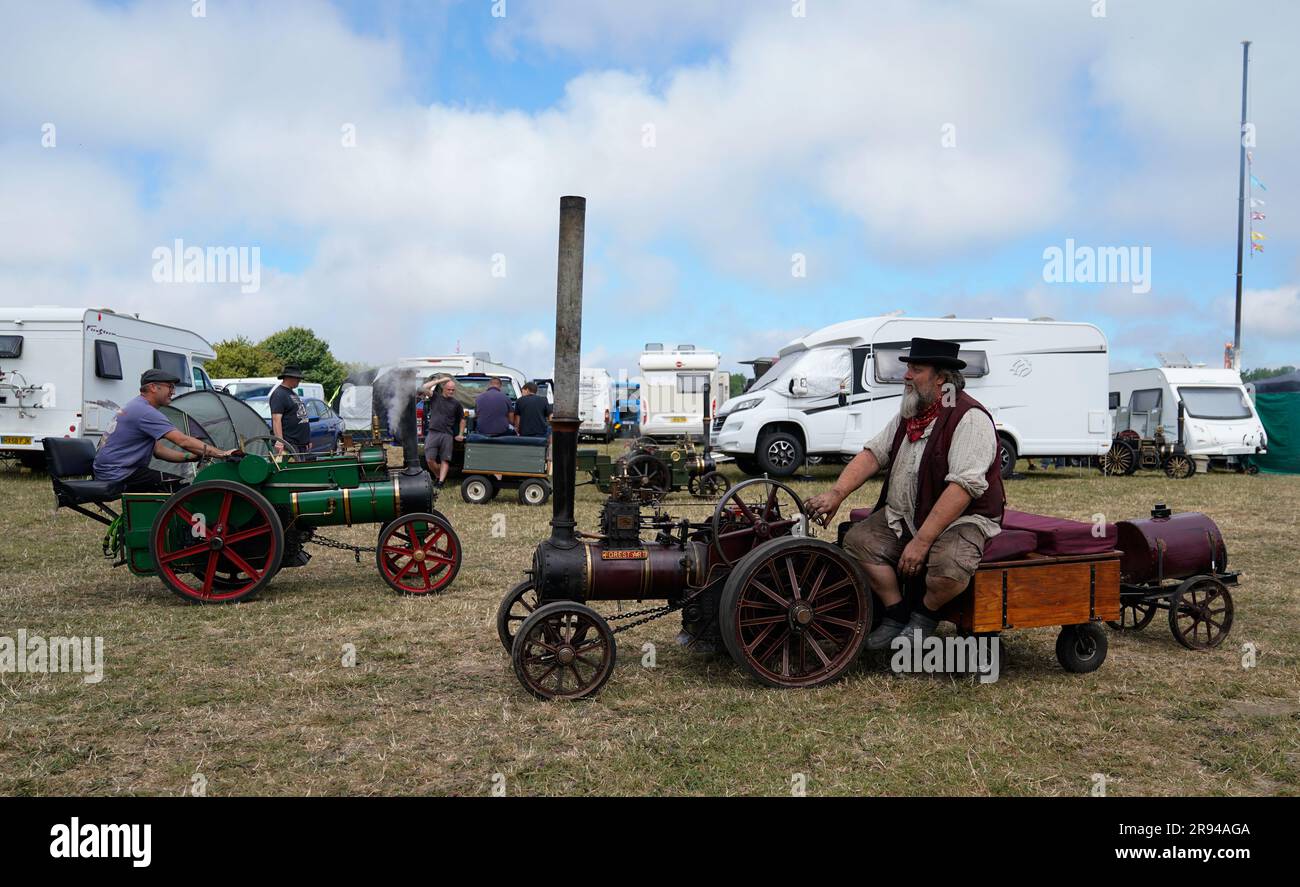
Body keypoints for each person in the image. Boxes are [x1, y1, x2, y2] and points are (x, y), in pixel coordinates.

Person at [804, 337, 1005, 650]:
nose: (906, 375)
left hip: (962, 520)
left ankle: (924, 618)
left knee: (949, 568)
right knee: (857, 542)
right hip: (908, 515)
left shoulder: (969, 418)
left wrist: (922, 542)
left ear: (941, 377)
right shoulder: (911, 414)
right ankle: (897, 614)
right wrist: (836, 494)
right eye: (908, 367)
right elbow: (873, 454)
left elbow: (963, 488)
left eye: (916, 369)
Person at [92, 369, 234, 494]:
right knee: (181, 488)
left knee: (176, 486)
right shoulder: (145, 412)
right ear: (153, 387)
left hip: (110, 472)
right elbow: (182, 440)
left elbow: (158, 450)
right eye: (170, 387)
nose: (173, 391)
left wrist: (189, 457)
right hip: (118, 474)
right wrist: (222, 454)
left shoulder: (138, 406)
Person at [418, 376, 465, 487]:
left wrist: (460, 434)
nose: (451, 392)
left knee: (445, 459)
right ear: (443, 388)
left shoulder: (456, 404)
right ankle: (438, 475)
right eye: (449, 389)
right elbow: (423, 388)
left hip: (447, 434)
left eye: (453, 390)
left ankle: (440, 482)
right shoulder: (435, 397)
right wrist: (440, 380)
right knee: (429, 459)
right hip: (433, 432)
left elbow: (462, 419)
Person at [269, 365, 312, 456]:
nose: (299, 381)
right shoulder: (279, 394)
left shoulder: (291, 393)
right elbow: (276, 419)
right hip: (289, 445)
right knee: (291, 470)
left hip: (299, 445)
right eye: (297, 378)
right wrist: (279, 441)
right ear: (288, 377)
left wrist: (307, 440)